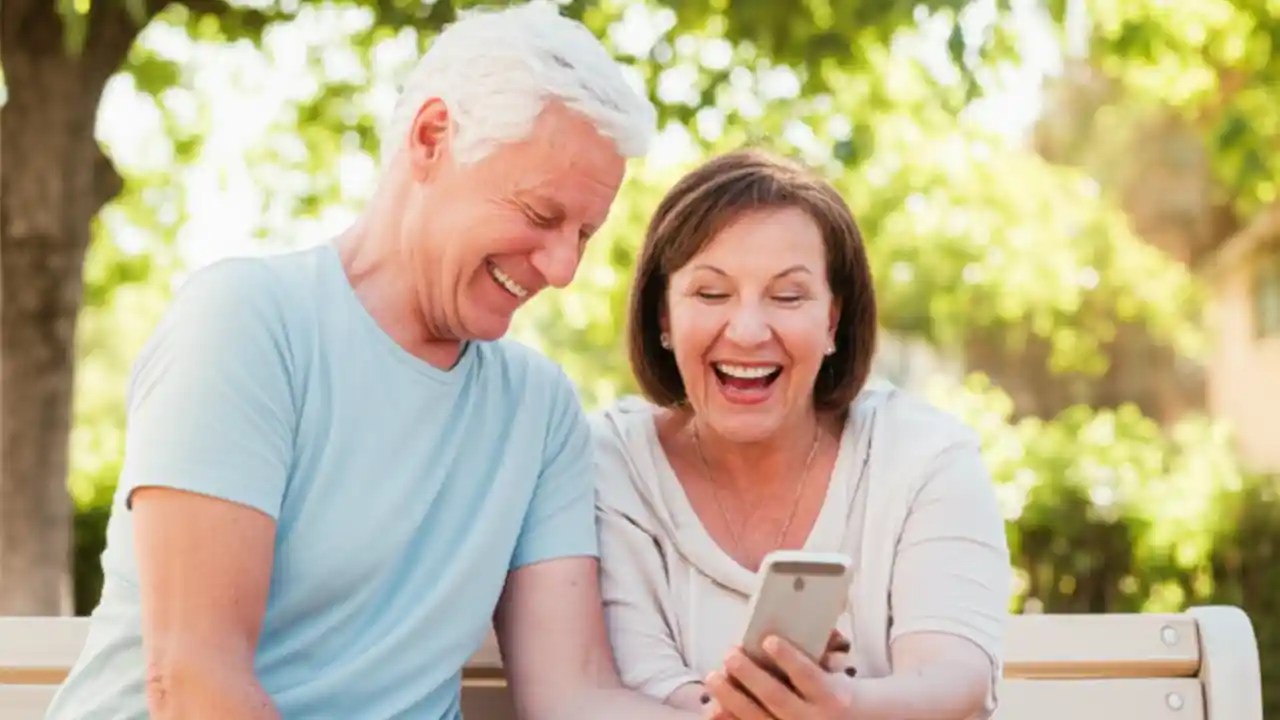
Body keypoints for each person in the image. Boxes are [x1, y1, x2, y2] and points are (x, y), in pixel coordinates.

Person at [47, 4, 696, 719]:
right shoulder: (248, 324)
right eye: (542, 216)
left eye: (585, 233)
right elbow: (196, 683)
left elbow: (573, 695)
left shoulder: (538, 410)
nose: (565, 267)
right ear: (431, 138)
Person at [591, 149, 1013, 719]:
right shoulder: (611, 464)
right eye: (711, 294)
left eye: (788, 296)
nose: (746, 330)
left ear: (832, 321)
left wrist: (843, 705)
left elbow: (957, 679)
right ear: (663, 317)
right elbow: (641, 681)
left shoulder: (923, 457)